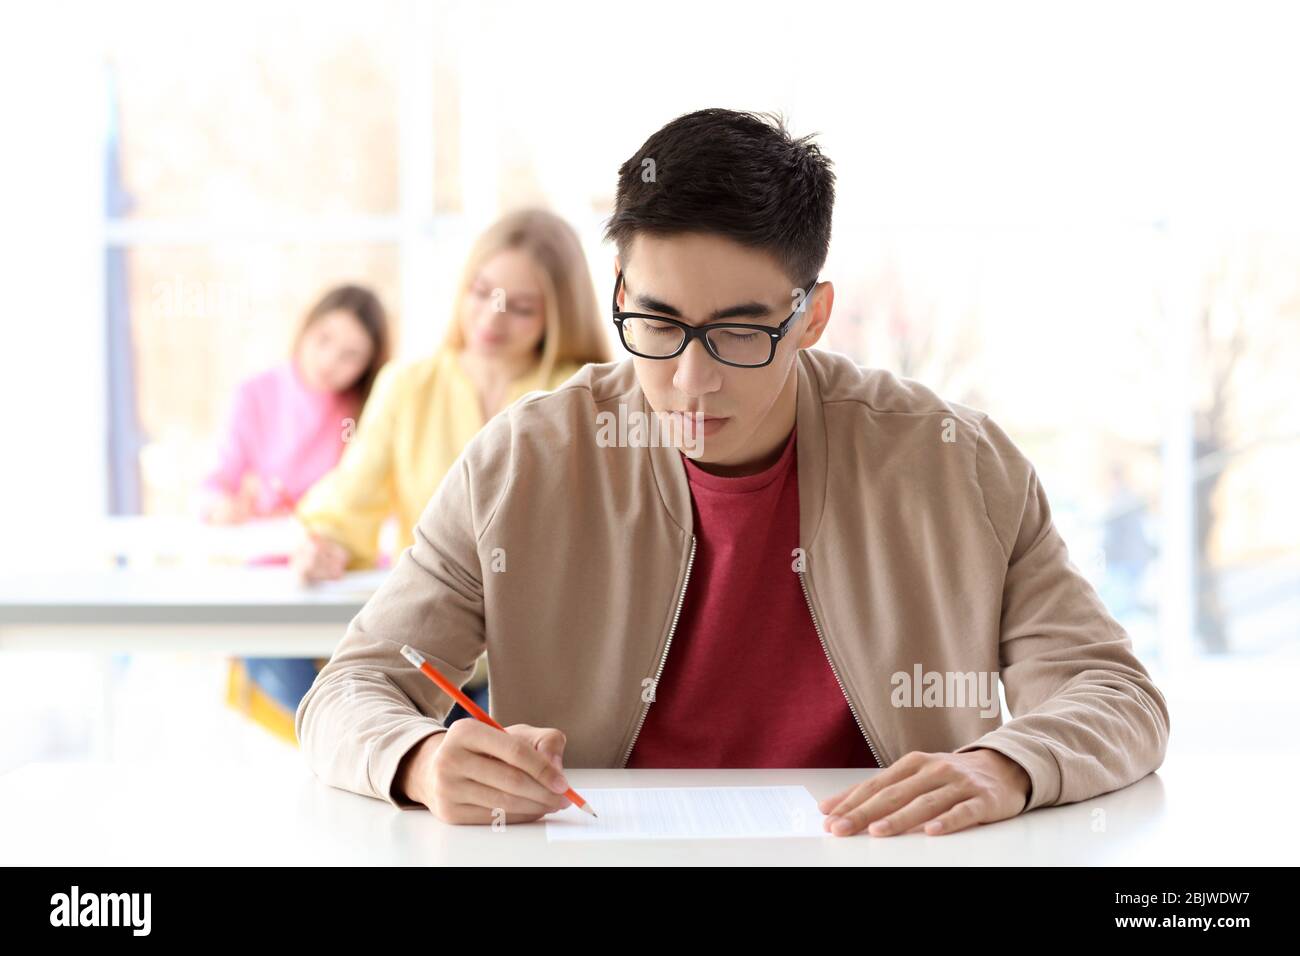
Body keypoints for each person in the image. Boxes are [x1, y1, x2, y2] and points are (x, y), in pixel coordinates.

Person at [296, 109, 1170, 838]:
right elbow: (351, 689)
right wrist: (419, 758)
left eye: (740, 334)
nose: (691, 378)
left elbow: (1117, 697)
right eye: (659, 322)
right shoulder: (523, 463)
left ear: (813, 317)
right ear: (618, 292)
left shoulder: (955, 465)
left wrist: (1004, 765)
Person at [292, 209, 612, 724]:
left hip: (546, 666)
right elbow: (352, 495)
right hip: (430, 657)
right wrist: (324, 542)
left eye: (520, 307)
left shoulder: (585, 394)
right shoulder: (407, 385)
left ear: (558, 314)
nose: (491, 318)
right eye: (480, 292)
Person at [201, 284, 391, 744]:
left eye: (350, 355)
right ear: (305, 330)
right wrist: (226, 507)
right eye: (324, 339)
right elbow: (213, 488)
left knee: (370, 668)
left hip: (343, 575)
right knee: (281, 667)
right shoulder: (256, 395)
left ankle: (362, 744)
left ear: (367, 365)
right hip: (271, 576)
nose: (329, 361)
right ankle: (347, 744)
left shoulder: (367, 411)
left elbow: (371, 506)